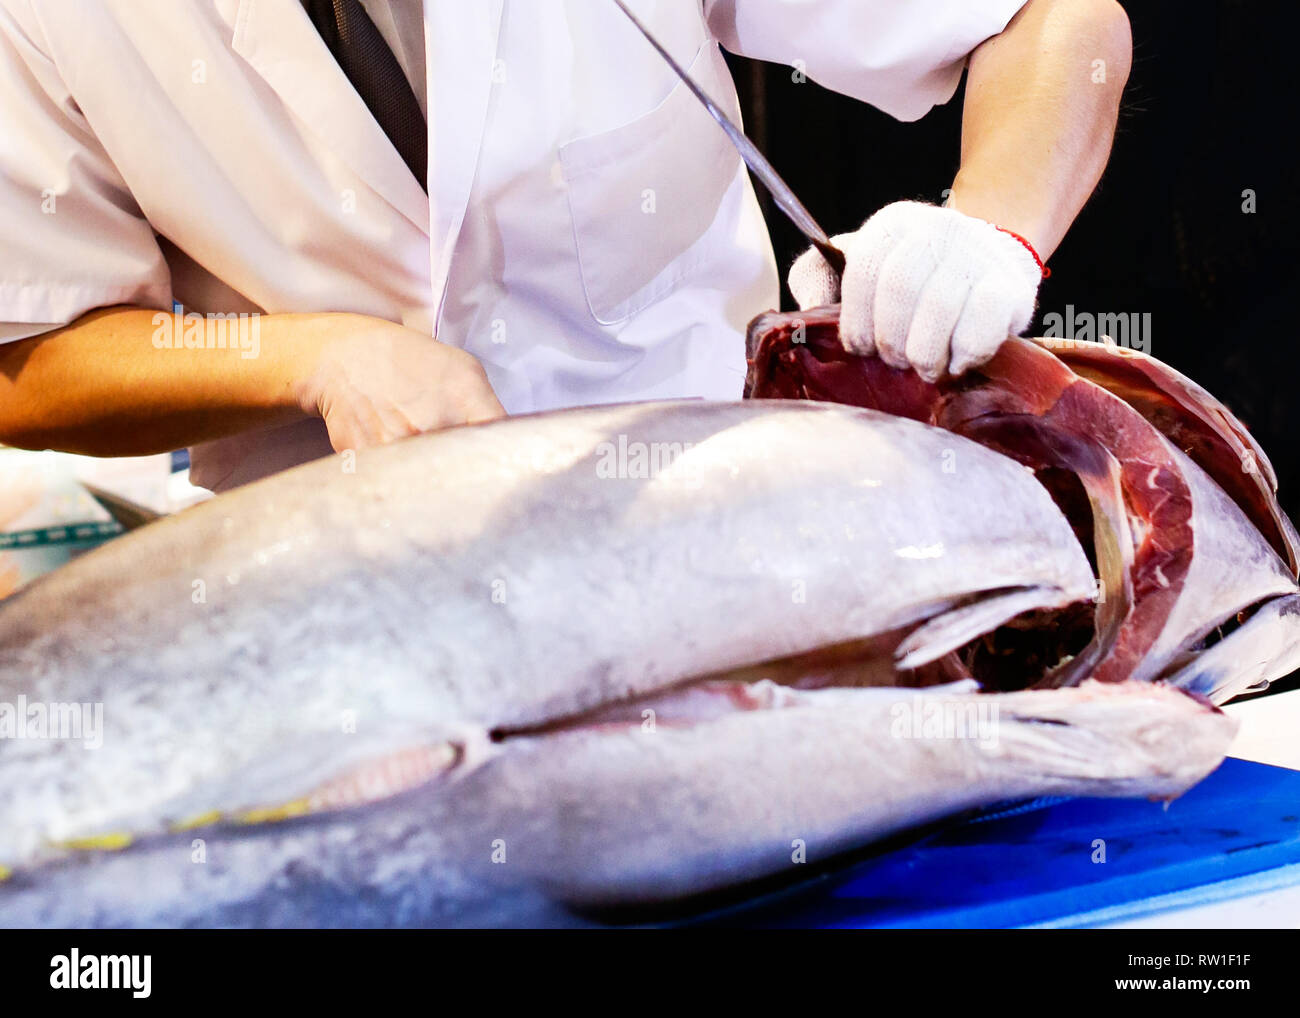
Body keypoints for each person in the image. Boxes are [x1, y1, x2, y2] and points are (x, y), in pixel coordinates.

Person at [0, 0, 1131, 491]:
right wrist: (312, 358)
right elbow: (32, 351)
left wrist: (989, 228)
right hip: (326, 591)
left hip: (718, 549)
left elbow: (1052, 29)